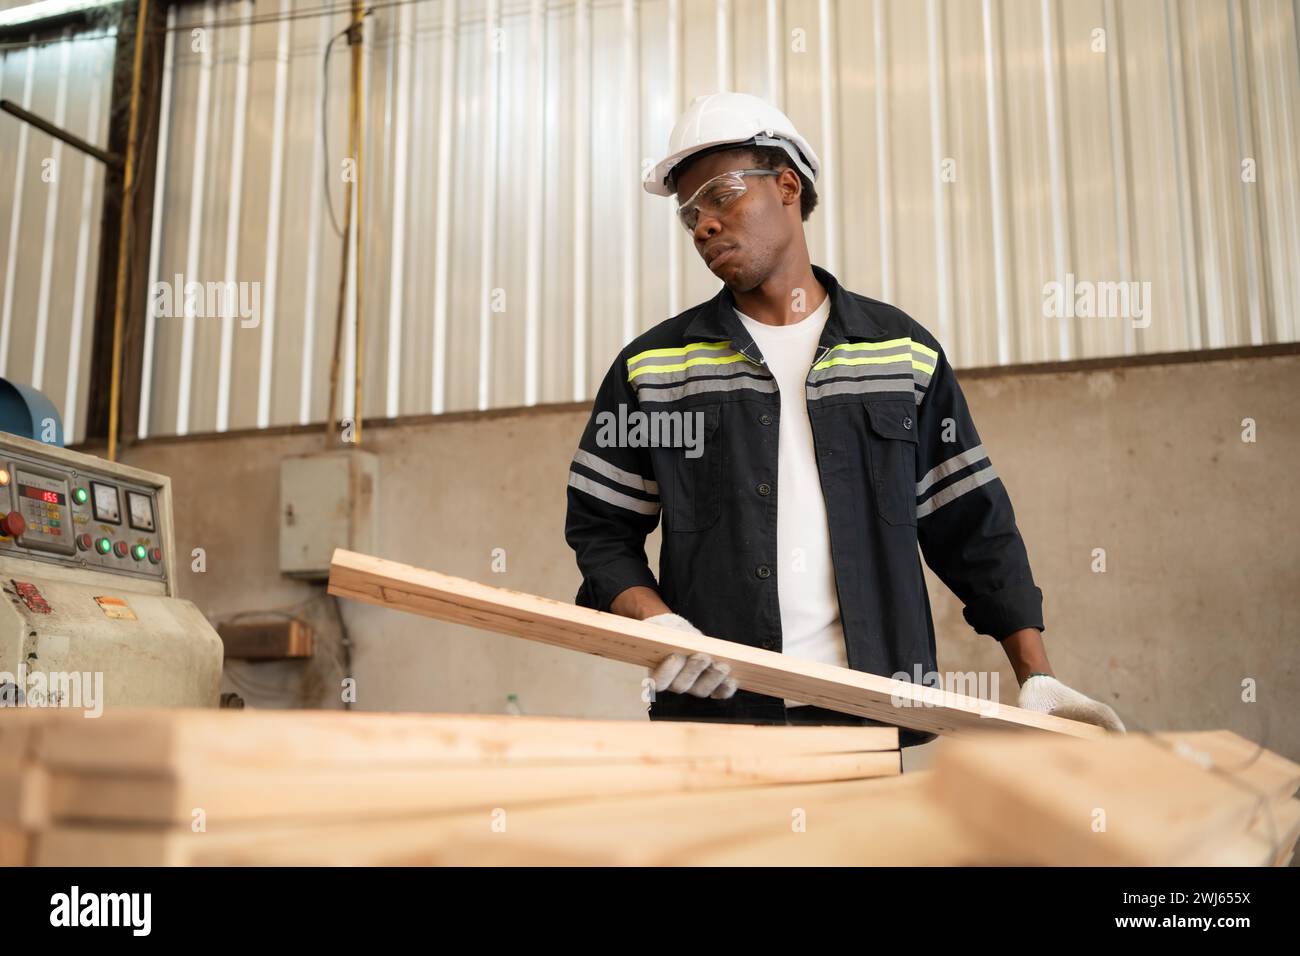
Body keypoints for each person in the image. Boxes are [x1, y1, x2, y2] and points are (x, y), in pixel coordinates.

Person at [565, 92, 1122, 745]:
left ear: (787, 186)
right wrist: (655, 623)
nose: (703, 226)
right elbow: (602, 531)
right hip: (720, 725)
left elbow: (973, 525)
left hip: (872, 718)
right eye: (689, 213)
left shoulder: (900, 354)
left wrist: (1038, 677)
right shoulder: (655, 369)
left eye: (720, 195)